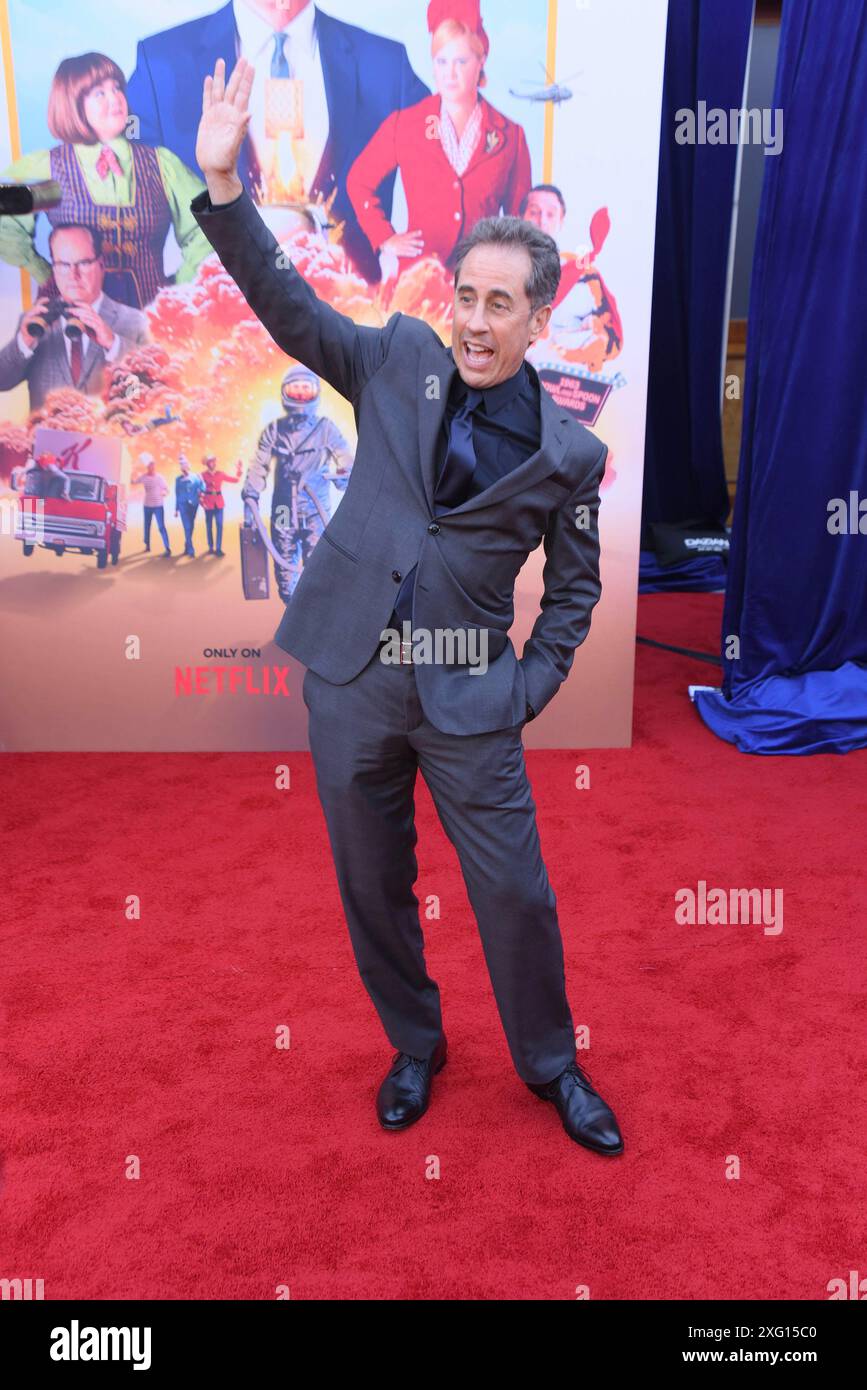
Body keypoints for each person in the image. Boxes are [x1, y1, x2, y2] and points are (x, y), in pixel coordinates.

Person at [192, 58, 623, 1155]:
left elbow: (575, 588)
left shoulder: (572, 455)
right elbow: (287, 307)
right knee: (372, 884)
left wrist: (529, 682)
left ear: (538, 317)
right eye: (466, 297)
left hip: (474, 694)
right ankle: (415, 1043)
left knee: (515, 894)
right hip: (350, 677)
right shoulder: (392, 359)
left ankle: (553, 1065)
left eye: (501, 305)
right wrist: (228, 187)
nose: (477, 322)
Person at [126, 0, 429, 281]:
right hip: (212, 324)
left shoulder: (387, 67)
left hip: (355, 323)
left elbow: (454, 179)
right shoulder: (160, 64)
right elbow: (123, 215)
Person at [0, 52, 212, 309]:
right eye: (99, 93)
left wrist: (179, 287)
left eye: (116, 88)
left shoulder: (161, 164)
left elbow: (210, 227)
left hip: (149, 324)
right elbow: (4, 223)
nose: (115, 98)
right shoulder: (49, 168)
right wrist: (46, 274)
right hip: (73, 324)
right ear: (73, 103)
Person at [346, 0, 531, 283]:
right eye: (441, 61)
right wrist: (385, 237)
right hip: (418, 283)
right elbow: (358, 181)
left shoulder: (510, 136)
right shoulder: (405, 124)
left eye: (461, 61)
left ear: (481, 61)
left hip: (481, 286)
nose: (450, 73)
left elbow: (520, 220)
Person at [0, 223, 149, 413]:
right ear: (54, 268)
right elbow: (2, 381)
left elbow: (142, 394)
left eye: (83, 263)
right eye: (63, 265)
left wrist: (114, 345)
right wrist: (23, 342)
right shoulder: (33, 322)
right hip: (48, 441)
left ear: (101, 265)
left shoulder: (135, 322)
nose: (73, 275)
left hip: (111, 439)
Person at [241, 365, 353, 599]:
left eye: (305, 389)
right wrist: (250, 497)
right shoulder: (274, 430)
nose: (301, 395)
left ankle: (314, 623)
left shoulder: (326, 429)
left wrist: (345, 475)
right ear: (285, 393)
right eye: (296, 390)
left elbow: (346, 458)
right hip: (284, 508)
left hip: (315, 509)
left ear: (315, 393)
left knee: (318, 566)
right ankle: (291, 613)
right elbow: (258, 465)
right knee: (285, 565)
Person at [521, 184, 623, 373]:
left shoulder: (583, 274)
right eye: (534, 212)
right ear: (521, 218)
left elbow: (610, 338)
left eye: (551, 214)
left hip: (563, 385)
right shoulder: (500, 271)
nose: (542, 221)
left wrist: (594, 332)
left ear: (562, 221)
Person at [201, 454, 243, 555]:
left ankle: (218, 548)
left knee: (219, 525)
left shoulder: (220, 474)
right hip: (208, 503)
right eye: (211, 461)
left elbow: (235, 480)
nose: (213, 463)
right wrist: (202, 503)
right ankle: (211, 547)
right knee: (209, 526)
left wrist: (239, 470)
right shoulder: (202, 475)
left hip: (219, 503)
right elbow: (199, 490)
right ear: (207, 464)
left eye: (214, 461)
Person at [131, 453, 171, 555]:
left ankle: (167, 547)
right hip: (147, 505)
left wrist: (164, 493)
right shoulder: (143, 477)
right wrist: (130, 470)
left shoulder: (160, 477)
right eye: (150, 466)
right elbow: (134, 482)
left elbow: (167, 489)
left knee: (161, 526)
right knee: (147, 526)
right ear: (147, 467)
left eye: (153, 466)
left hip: (158, 505)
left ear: (155, 467)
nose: (152, 468)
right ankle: (147, 545)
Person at [175, 453, 205, 556]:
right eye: (182, 465)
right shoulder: (178, 479)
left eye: (185, 465)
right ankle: (191, 549)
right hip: (183, 505)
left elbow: (202, 486)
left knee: (191, 526)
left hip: (194, 504)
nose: (184, 467)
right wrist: (176, 509)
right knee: (187, 527)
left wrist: (201, 493)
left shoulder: (196, 476)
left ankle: (187, 545)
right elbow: (177, 494)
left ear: (188, 466)